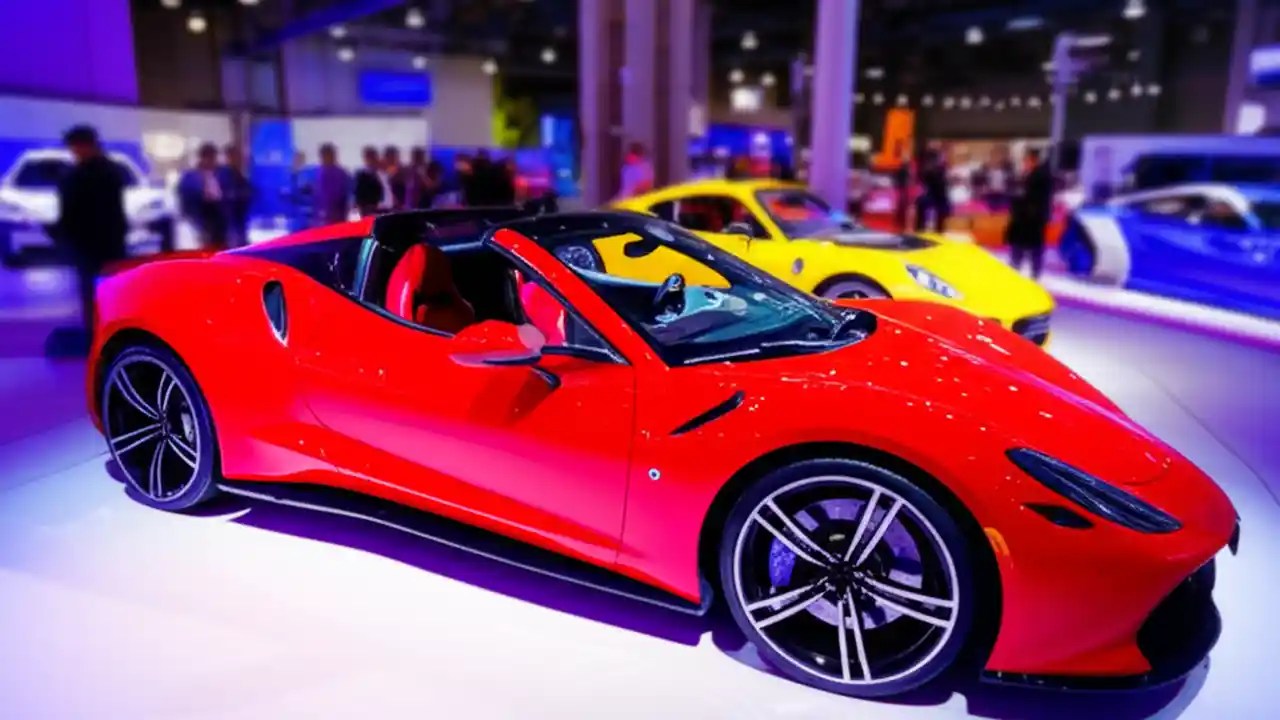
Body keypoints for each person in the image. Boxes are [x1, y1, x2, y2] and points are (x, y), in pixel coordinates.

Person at [51, 125, 128, 339]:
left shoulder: (78, 175)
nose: (73, 152)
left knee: (94, 293)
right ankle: (110, 333)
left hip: (91, 245)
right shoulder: (111, 171)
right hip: (108, 242)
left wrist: (62, 234)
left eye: (74, 147)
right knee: (108, 292)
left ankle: (97, 335)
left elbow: (71, 212)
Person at [1007, 148, 1054, 279]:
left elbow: (1035, 198)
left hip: (1032, 218)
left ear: (1033, 160)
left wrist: (1019, 200)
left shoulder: (1041, 175)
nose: (1024, 163)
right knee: (1022, 245)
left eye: (1026, 160)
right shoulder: (1030, 174)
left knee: (1033, 247)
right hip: (1025, 217)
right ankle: (1018, 267)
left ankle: (1032, 272)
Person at [178, 143, 227, 248]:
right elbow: (184, 196)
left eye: (213, 157)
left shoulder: (223, 173)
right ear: (202, 158)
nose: (211, 161)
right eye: (208, 157)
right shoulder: (190, 176)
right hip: (200, 212)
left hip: (220, 214)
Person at [218, 144, 252, 247]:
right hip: (229, 215)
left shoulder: (238, 173)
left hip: (239, 214)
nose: (238, 160)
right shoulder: (223, 173)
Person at [914, 148, 952, 233]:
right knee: (941, 208)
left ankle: (923, 229)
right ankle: (935, 230)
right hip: (934, 195)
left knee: (926, 208)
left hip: (933, 195)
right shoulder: (933, 169)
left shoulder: (926, 168)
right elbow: (940, 184)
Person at [314, 143, 351, 225]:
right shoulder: (318, 172)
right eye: (323, 156)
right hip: (320, 216)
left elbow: (344, 195)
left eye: (328, 155)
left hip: (336, 215)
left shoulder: (341, 173)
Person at [353, 146, 385, 217]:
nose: (372, 159)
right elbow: (358, 193)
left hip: (383, 208)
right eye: (369, 157)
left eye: (373, 157)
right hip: (369, 209)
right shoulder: (361, 175)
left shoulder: (382, 173)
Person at [383, 146, 407, 210]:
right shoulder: (381, 171)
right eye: (389, 156)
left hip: (399, 205)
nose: (391, 158)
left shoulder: (402, 170)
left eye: (393, 156)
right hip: (385, 205)